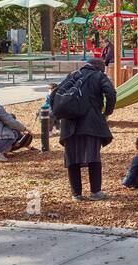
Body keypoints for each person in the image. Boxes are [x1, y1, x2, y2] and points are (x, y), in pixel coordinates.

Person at [49, 56, 117, 201]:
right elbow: (111, 93)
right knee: (93, 157)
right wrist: (107, 112)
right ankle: (95, 192)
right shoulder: (99, 76)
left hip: (68, 124)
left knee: (72, 159)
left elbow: (55, 94)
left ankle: (76, 194)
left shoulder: (72, 75)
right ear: (100, 68)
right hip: (90, 123)